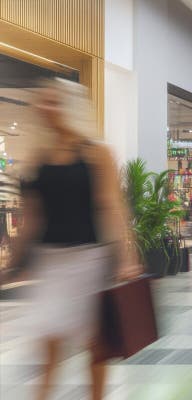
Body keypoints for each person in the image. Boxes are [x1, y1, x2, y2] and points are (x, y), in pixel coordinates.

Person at [10, 78, 140, 400]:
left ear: (71, 106)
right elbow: (31, 219)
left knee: (95, 345)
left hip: (88, 259)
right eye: (41, 102)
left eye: (53, 102)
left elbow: (112, 206)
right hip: (50, 262)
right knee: (48, 343)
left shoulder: (96, 154)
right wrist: (14, 264)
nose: (44, 108)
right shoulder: (37, 159)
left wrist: (127, 258)